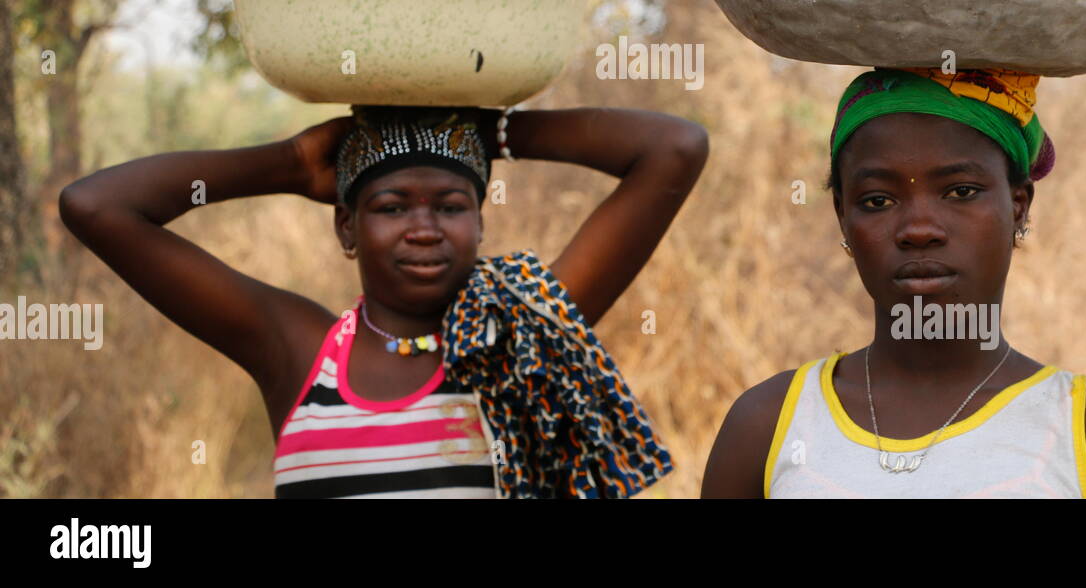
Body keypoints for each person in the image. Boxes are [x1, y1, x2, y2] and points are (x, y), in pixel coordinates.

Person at [60, 103, 708, 498]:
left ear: (481, 224)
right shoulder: (299, 350)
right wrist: (287, 162)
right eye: (391, 207)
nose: (424, 228)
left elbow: (673, 148)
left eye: (451, 206)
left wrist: (493, 133)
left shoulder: (521, 330)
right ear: (347, 227)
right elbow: (97, 206)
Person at [701, 67, 1086, 499]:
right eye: (877, 201)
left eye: (960, 192)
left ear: (1018, 206)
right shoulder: (769, 427)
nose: (918, 228)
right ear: (842, 217)